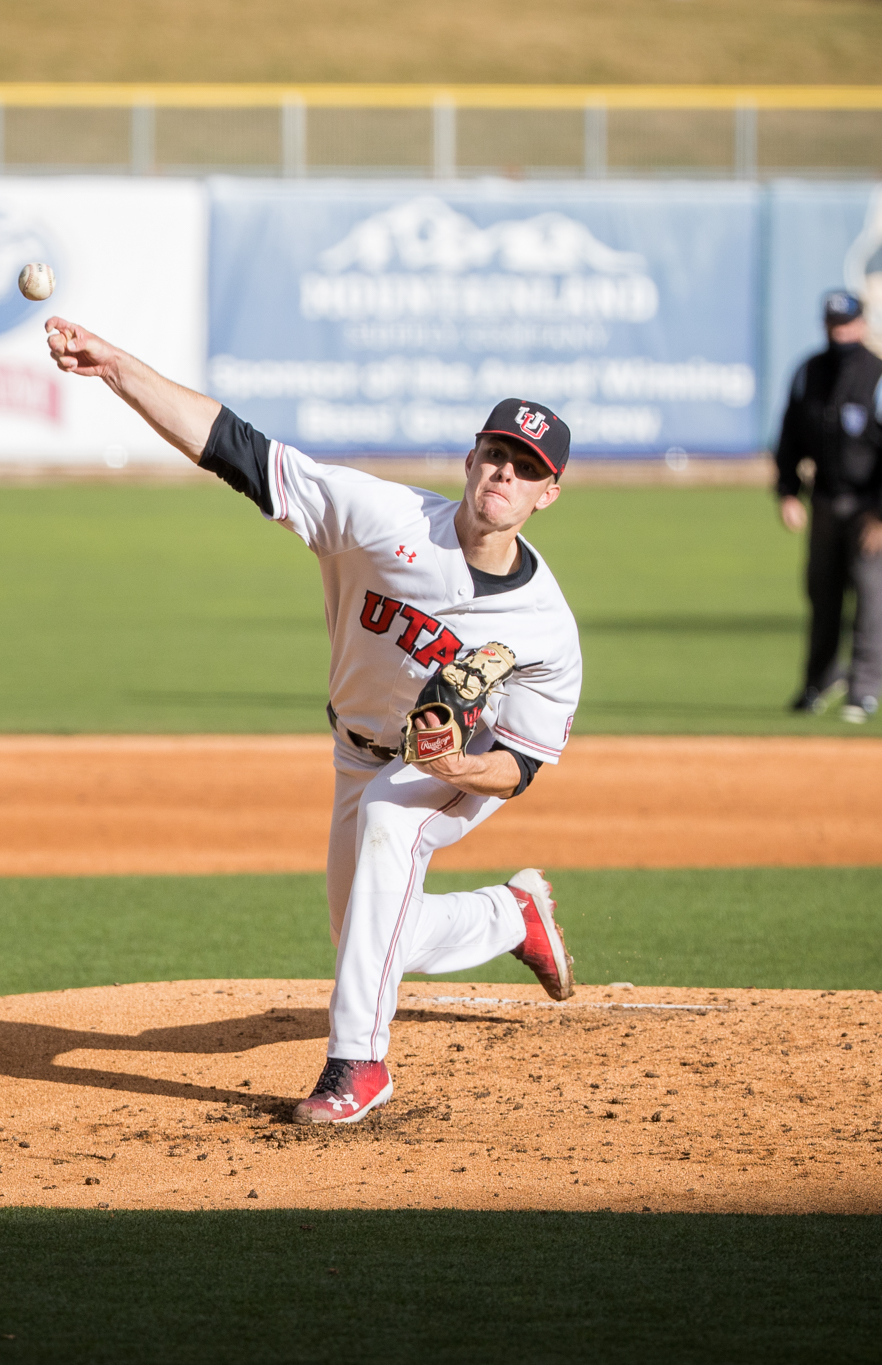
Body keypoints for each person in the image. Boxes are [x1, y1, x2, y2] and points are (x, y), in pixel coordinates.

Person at [45, 316, 584, 1127]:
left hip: (454, 770)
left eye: (527, 469)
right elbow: (237, 448)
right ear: (471, 461)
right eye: (497, 455)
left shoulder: (546, 625)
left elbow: (523, 764)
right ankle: (513, 914)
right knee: (370, 933)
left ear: (547, 492)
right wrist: (119, 367)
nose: (505, 474)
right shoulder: (383, 516)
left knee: (388, 821)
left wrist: (454, 767)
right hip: (355, 746)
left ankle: (358, 1066)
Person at [773, 290, 882, 724]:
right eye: (832, 325)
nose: (840, 332)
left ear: (862, 324)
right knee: (821, 597)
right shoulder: (810, 373)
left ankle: (864, 691)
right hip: (825, 502)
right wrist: (787, 491)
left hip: (871, 508)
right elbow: (789, 438)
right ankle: (819, 681)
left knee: (872, 600)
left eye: (847, 324)